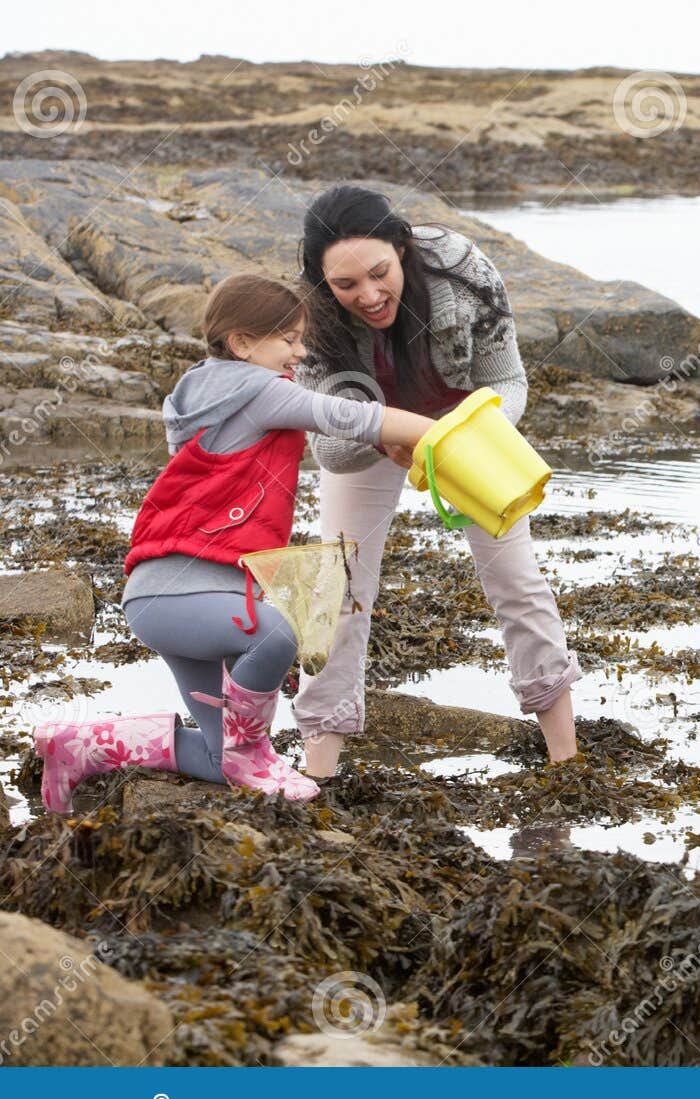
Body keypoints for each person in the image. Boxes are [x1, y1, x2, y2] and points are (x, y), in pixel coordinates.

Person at [32, 274, 436, 813]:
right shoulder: (257, 389)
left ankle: (78, 747)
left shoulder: (201, 392)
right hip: (181, 597)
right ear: (242, 343)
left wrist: (392, 440)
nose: (300, 350)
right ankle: (252, 746)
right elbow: (346, 417)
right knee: (275, 635)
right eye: (287, 339)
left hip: (171, 599)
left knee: (222, 759)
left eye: (301, 338)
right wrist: (436, 432)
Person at [290, 186, 581, 775]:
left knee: (516, 580)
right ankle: (317, 769)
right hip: (371, 436)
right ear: (324, 284)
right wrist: (383, 434)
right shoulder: (311, 318)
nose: (369, 296)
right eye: (347, 286)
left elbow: (511, 382)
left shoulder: (464, 271)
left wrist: (458, 435)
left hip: (465, 435)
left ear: (402, 248)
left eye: (380, 273)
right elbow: (325, 446)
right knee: (338, 593)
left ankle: (566, 759)